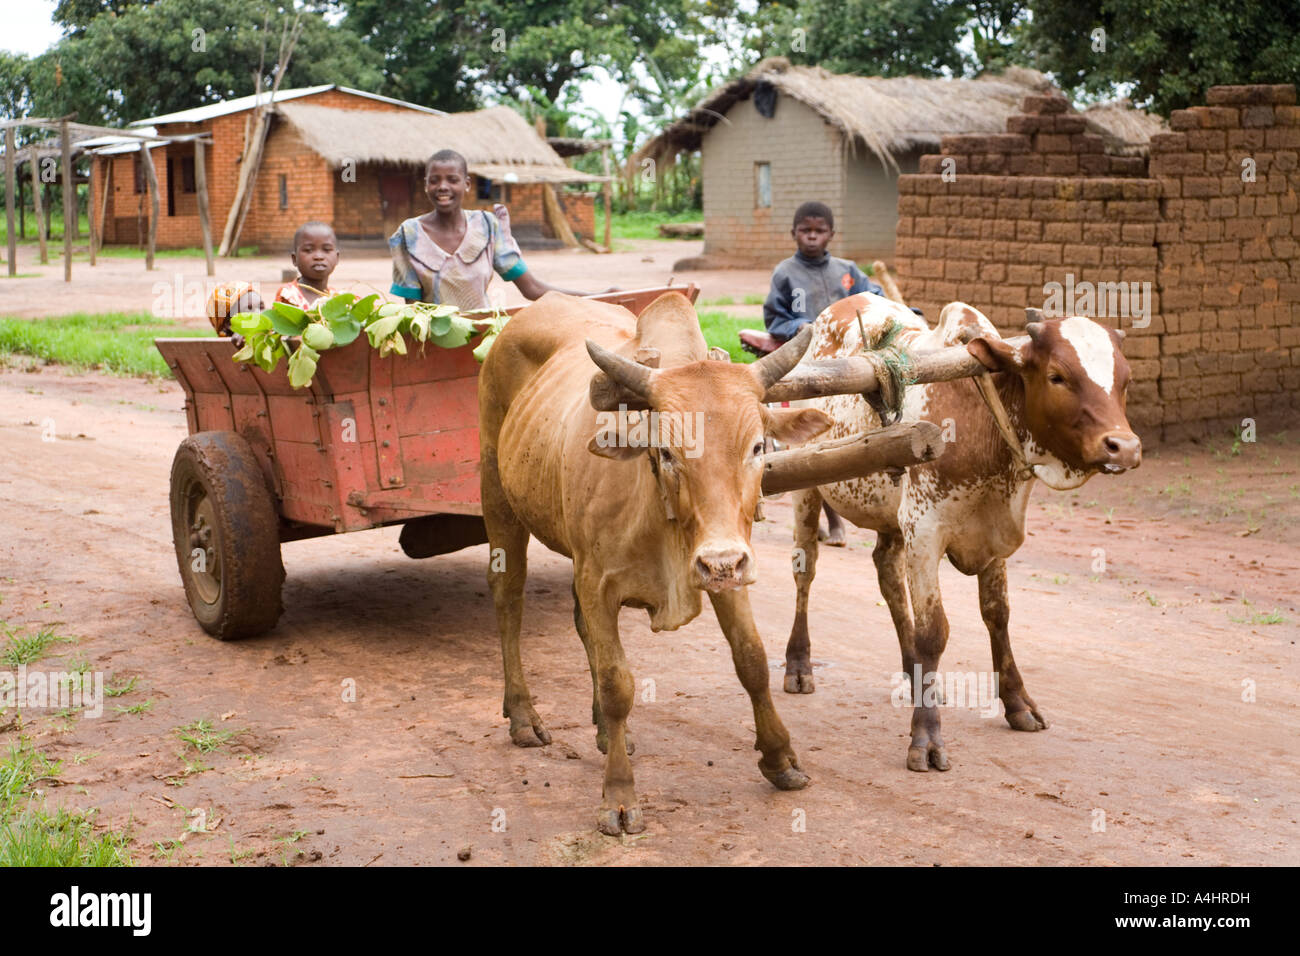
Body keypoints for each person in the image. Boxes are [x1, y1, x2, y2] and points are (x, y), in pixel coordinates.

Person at [763, 201, 884, 547]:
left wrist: (900, 309)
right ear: (794, 234)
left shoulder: (847, 272)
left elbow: (873, 298)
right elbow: (774, 318)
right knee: (811, 439)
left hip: (848, 368)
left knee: (833, 439)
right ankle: (828, 522)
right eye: (806, 231)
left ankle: (832, 522)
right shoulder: (785, 273)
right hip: (807, 369)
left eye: (819, 231)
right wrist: (797, 327)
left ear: (831, 234)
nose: (812, 237)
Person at [389, 149, 598, 311]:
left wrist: (595, 298)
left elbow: (531, 288)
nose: (443, 187)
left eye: (452, 180)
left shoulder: (487, 227)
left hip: (483, 341)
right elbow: (414, 311)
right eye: (434, 181)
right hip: (432, 347)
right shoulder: (409, 236)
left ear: (467, 184)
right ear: (426, 185)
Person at [276, 221, 340, 310]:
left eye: (326, 249)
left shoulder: (338, 298)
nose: (319, 257)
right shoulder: (288, 296)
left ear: (337, 258)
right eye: (308, 250)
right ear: (294, 259)